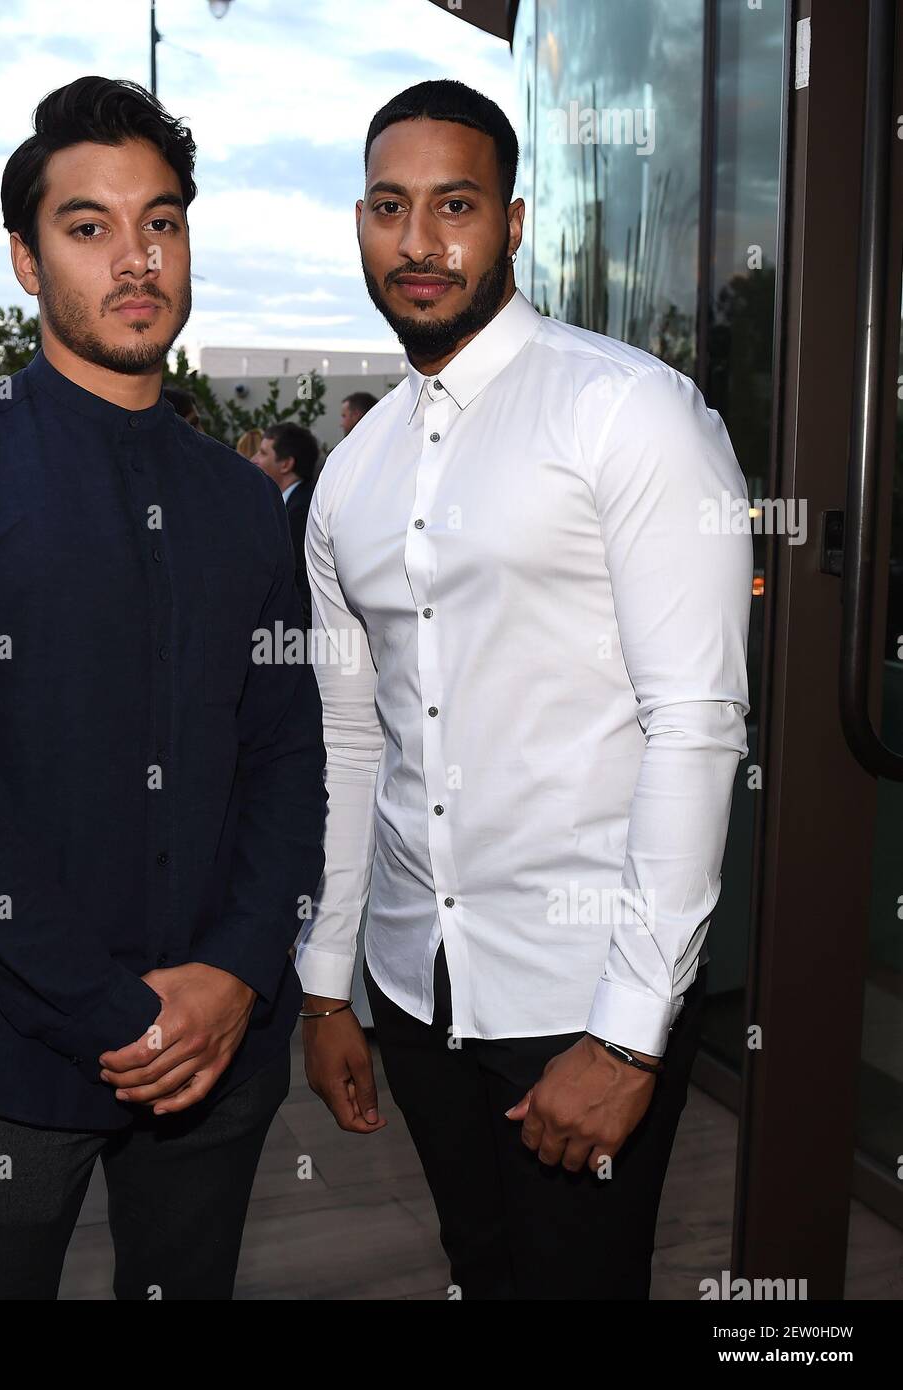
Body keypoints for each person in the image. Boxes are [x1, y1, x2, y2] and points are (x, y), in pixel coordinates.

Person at [0, 75, 326, 1301]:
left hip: (221, 1051)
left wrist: (234, 976)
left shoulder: (239, 502)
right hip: (10, 1057)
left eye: (160, 221)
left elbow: (286, 755)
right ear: (24, 257)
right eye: (89, 225)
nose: (136, 258)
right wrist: (120, 1010)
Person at [295, 79, 752, 1300]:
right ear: (359, 224)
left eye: (456, 204)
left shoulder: (629, 412)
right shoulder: (351, 475)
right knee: (481, 1268)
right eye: (391, 207)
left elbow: (696, 728)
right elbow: (350, 741)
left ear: (511, 220)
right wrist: (327, 979)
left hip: (581, 993)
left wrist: (627, 1030)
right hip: (413, 982)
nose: (421, 240)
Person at [251, 421, 319, 625]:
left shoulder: (302, 512)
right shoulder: (291, 503)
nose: (254, 459)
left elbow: (299, 582)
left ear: (286, 464)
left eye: (263, 453)